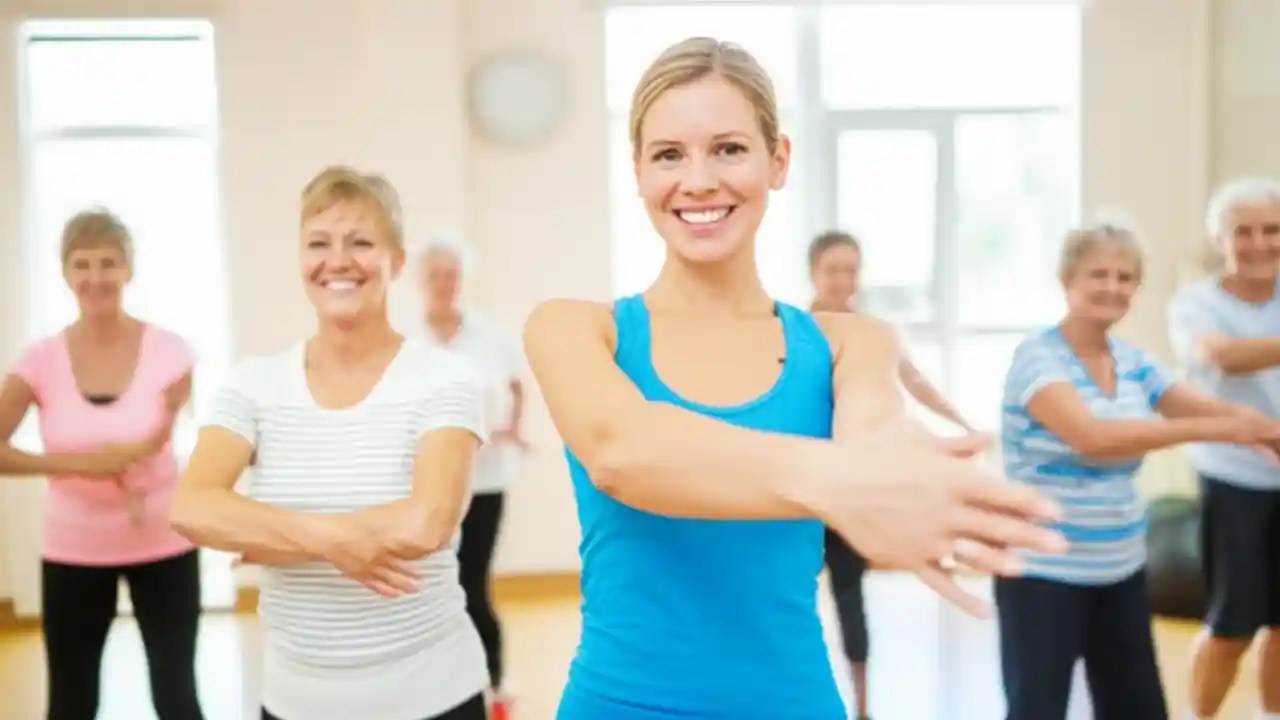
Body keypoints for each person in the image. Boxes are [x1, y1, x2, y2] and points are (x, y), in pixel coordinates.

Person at [523, 36, 1069, 720]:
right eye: (668, 154)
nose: (698, 180)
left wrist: (906, 474)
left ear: (777, 159)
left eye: (728, 148)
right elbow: (622, 452)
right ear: (637, 170)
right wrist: (845, 481)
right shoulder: (574, 328)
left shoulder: (849, 342)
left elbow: (874, 432)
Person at [168, 166, 490, 720]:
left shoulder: (445, 377)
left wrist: (271, 537)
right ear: (300, 261)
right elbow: (192, 506)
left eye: (360, 242)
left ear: (395, 260)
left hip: (433, 695)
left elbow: (428, 523)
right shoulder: (254, 382)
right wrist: (327, 538)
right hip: (296, 701)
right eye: (318, 243)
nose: (337, 261)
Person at [997, 221, 1280, 720]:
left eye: (1125, 278)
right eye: (1098, 274)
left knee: (1139, 710)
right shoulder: (1037, 357)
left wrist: (1259, 429)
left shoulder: (1133, 362)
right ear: (1067, 279)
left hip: (1120, 568)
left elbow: (1203, 408)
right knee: (1037, 710)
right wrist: (1215, 431)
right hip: (1044, 572)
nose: (1112, 287)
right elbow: (1093, 439)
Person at [0, 208, 204, 720]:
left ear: (129, 270)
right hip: (74, 550)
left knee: (177, 696)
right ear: (65, 273)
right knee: (71, 703)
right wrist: (72, 465)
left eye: (109, 263)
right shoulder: (40, 359)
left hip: (164, 543)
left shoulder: (171, 351)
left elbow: (169, 440)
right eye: (82, 264)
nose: (96, 277)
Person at [806, 229, 975, 720]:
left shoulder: (872, 333)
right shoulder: (790, 328)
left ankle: (862, 709)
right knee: (786, 601)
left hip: (851, 489)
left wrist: (962, 424)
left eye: (851, 269)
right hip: (798, 490)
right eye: (833, 269)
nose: (843, 280)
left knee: (850, 597)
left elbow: (914, 380)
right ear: (813, 273)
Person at [1168, 177, 1280, 720]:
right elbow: (1223, 357)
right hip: (1233, 478)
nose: (1259, 243)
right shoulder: (1194, 304)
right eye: (1244, 232)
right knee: (1231, 626)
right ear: (1220, 240)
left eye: (1271, 229)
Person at [417, 239, 526, 717]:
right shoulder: (407, 339)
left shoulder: (491, 335)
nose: (444, 284)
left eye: (452, 275)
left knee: (471, 582)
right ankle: (440, 687)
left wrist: (513, 429)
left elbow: (519, 385)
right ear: (423, 281)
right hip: (429, 482)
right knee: (434, 586)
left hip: (485, 481)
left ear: (463, 280)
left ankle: (495, 686)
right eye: (436, 275)